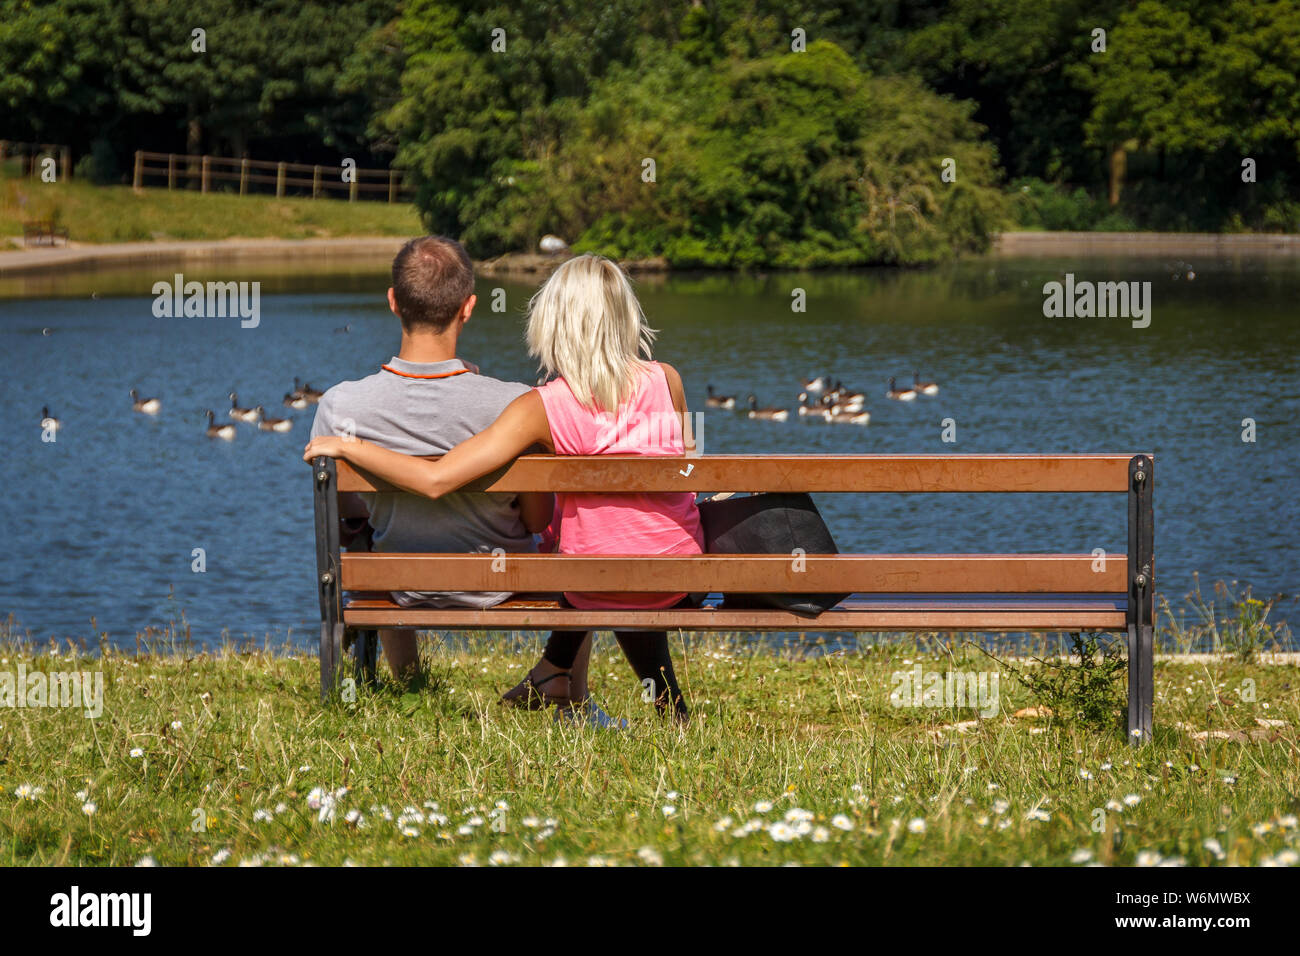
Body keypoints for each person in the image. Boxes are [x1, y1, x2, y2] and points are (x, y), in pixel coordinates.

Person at [305, 253, 700, 722]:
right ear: (627, 315)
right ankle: (622, 692)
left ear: (553, 320)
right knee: (625, 547)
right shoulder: (667, 379)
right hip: (680, 574)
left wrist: (352, 447)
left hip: (591, 583)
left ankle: (554, 674)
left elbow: (435, 480)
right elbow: (685, 473)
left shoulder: (543, 406)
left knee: (598, 555)